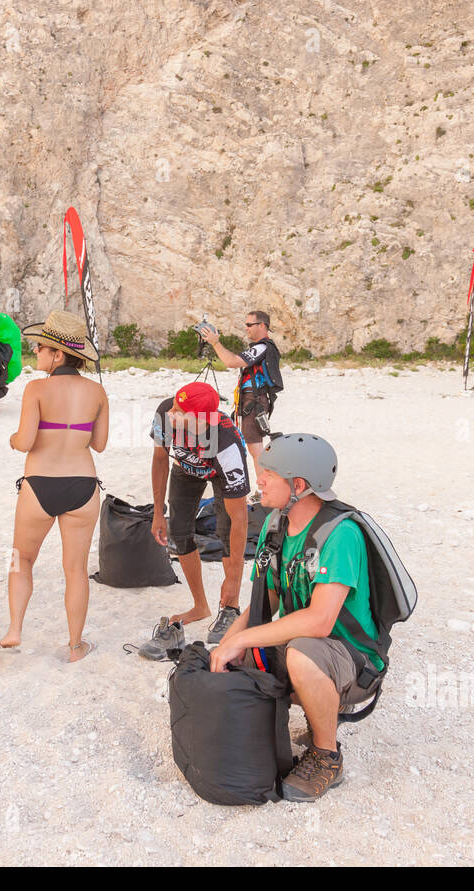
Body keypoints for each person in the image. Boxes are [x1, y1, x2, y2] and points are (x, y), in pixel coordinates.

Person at [208, 434, 381, 802]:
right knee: (240, 651)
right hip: (310, 646)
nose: (261, 479)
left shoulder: (340, 534)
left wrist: (242, 640)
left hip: (352, 658)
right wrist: (227, 646)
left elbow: (320, 621)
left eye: (270, 473)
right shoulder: (275, 524)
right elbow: (262, 605)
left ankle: (326, 756)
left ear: (299, 486)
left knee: (299, 654)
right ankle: (317, 704)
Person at [0, 310, 108, 662]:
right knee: (75, 570)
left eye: (41, 348)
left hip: (40, 485)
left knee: (21, 558)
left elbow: (26, 441)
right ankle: (75, 646)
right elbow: (99, 444)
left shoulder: (36, 389)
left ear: (58, 354)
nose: (36, 354)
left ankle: (14, 629)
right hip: (83, 486)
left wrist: (13, 439)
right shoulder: (97, 391)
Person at [138, 382, 249, 658]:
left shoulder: (227, 446)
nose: (171, 413)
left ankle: (231, 609)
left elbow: (240, 519)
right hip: (186, 468)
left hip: (218, 472)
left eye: (180, 411)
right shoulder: (166, 413)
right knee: (178, 533)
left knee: (225, 534)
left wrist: (233, 581)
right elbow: (160, 459)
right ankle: (200, 606)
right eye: (174, 406)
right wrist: (157, 511)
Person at [198, 310, 283, 489]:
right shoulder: (259, 347)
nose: (246, 328)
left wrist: (215, 343)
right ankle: (265, 487)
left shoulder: (262, 347)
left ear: (262, 325)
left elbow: (232, 361)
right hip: (250, 400)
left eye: (249, 325)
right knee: (254, 447)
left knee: (255, 448)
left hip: (255, 401)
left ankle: (264, 489)